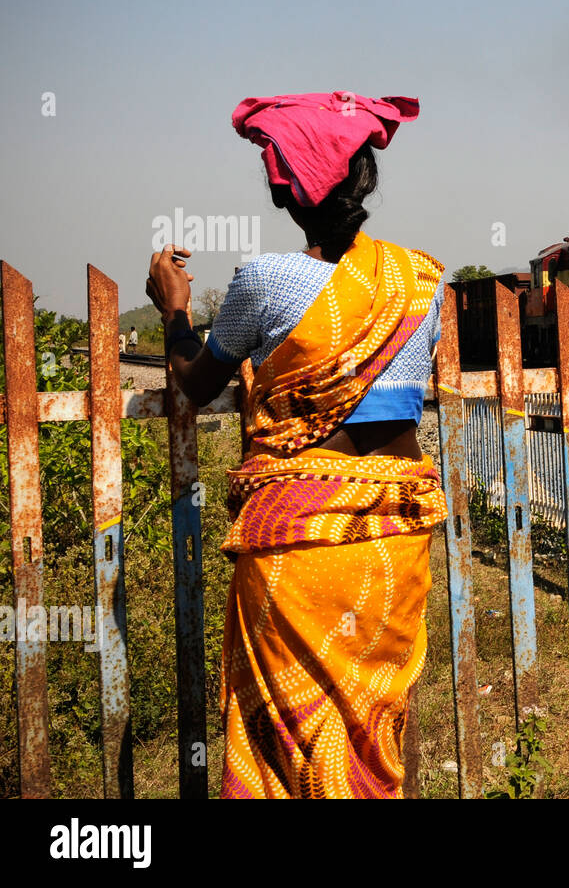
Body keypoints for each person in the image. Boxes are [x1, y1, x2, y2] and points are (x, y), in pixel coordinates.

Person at [145, 91, 445, 799]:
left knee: (284, 741)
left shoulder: (264, 281)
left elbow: (192, 382)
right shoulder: (421, 282)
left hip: (296, 544)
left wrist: (175, 309)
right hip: (392, 543)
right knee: (373, 732)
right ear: (364, 176)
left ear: (285, 189)